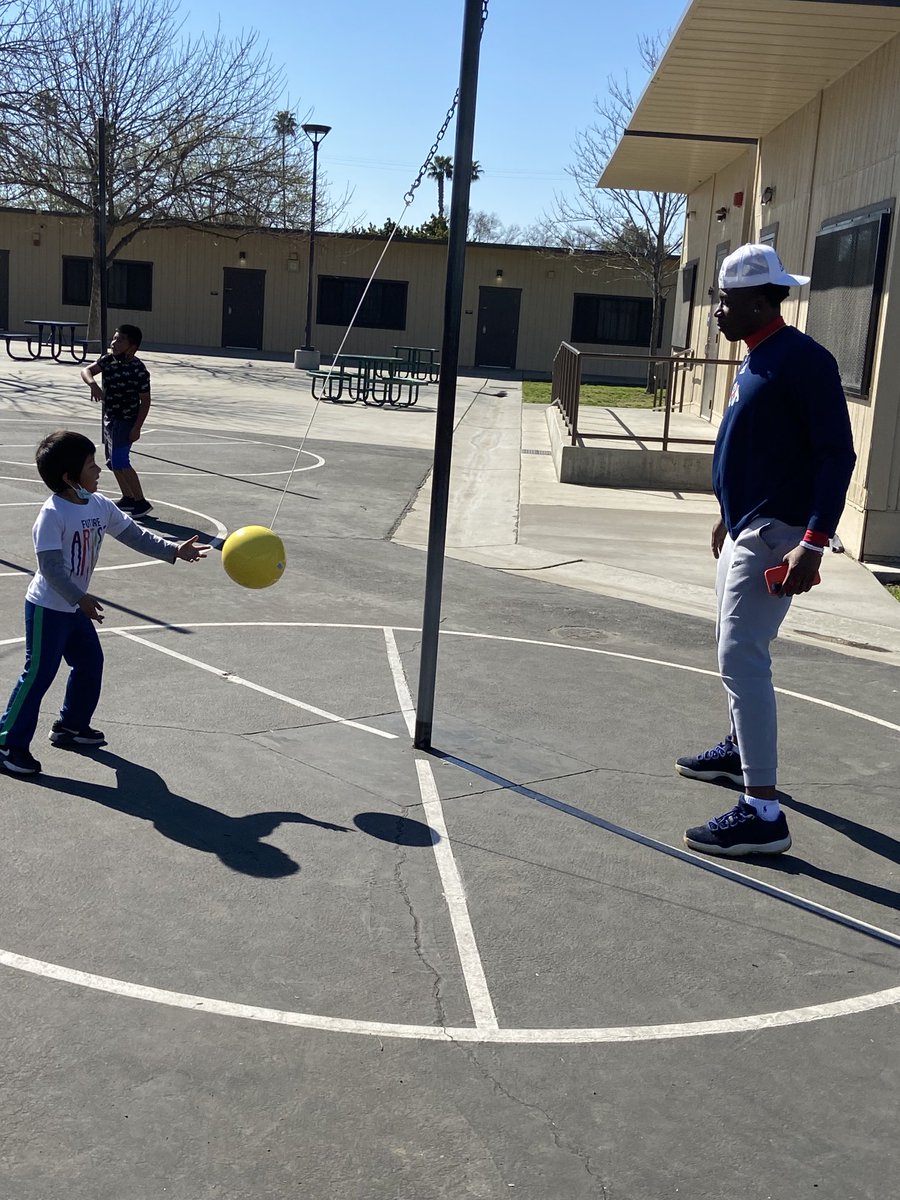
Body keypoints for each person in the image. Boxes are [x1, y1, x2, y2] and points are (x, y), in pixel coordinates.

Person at [677, 243, 856, 857]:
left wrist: (814, 540)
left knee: (741, 653)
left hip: (779, 533)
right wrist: (725, 515)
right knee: (734, 648)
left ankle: (763, 812)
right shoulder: (756, 359)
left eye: (725, 300)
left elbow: (837, 453)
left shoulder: (803, 360)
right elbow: (759, 450)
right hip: (746, 526)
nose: (716, 311)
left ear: (758, 299)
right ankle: (735, 750)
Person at [0, 430, 209, 778]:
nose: (99, 471)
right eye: (91, 465)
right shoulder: (52, 515)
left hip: (74, 607)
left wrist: (173, 550)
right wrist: (79, 597)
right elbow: (51, 569)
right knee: (38, 675)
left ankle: (70, 726)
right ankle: (8, 743)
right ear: (69, 478)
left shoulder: (100, 506)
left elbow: (135, 535)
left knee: (89, 662)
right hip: (48, 608)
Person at [80, 324, 153, 518]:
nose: (114, 343)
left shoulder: (138, 370)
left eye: (120, 340)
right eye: (114, 338)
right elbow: (86, 371)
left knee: (121, 461)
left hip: (126, 421)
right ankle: (128, 497)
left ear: (132, 346)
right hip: (110, 419)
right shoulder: (108, 360)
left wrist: (137, 428)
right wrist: (93, 385)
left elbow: (145, 402)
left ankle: (141, 502)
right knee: (113, 463)